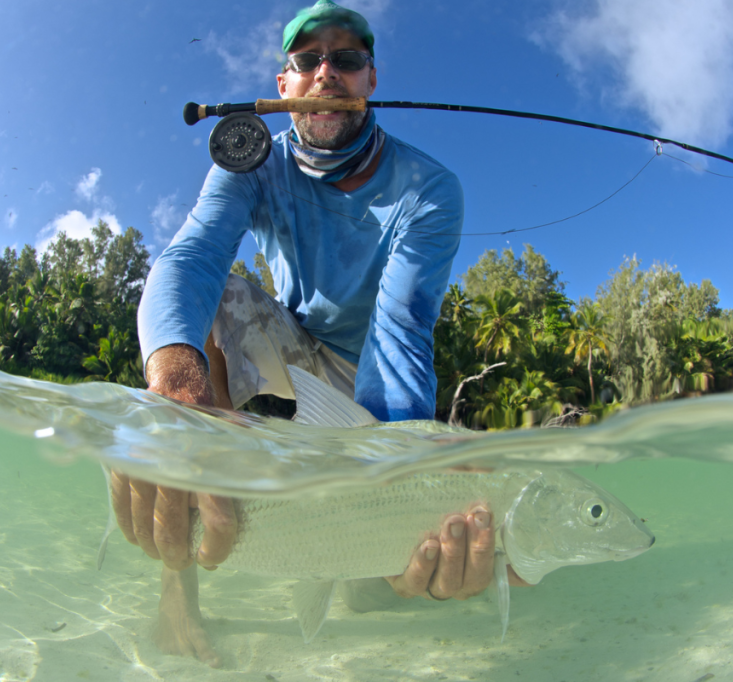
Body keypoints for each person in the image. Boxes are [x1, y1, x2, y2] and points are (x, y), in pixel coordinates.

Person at [111, 0, 524, 667]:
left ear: (369, 80)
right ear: (283, 87)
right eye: (307, 60)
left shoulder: (429, 189)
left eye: (347, 59)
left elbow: (401, 329)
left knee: (376, 588)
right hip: (292, 348)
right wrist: (174, 387)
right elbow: (191, 258)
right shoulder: (250, 164)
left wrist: (397, 470)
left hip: (376, 382)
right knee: (212, 303)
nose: (326, 72)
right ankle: (178, 588)